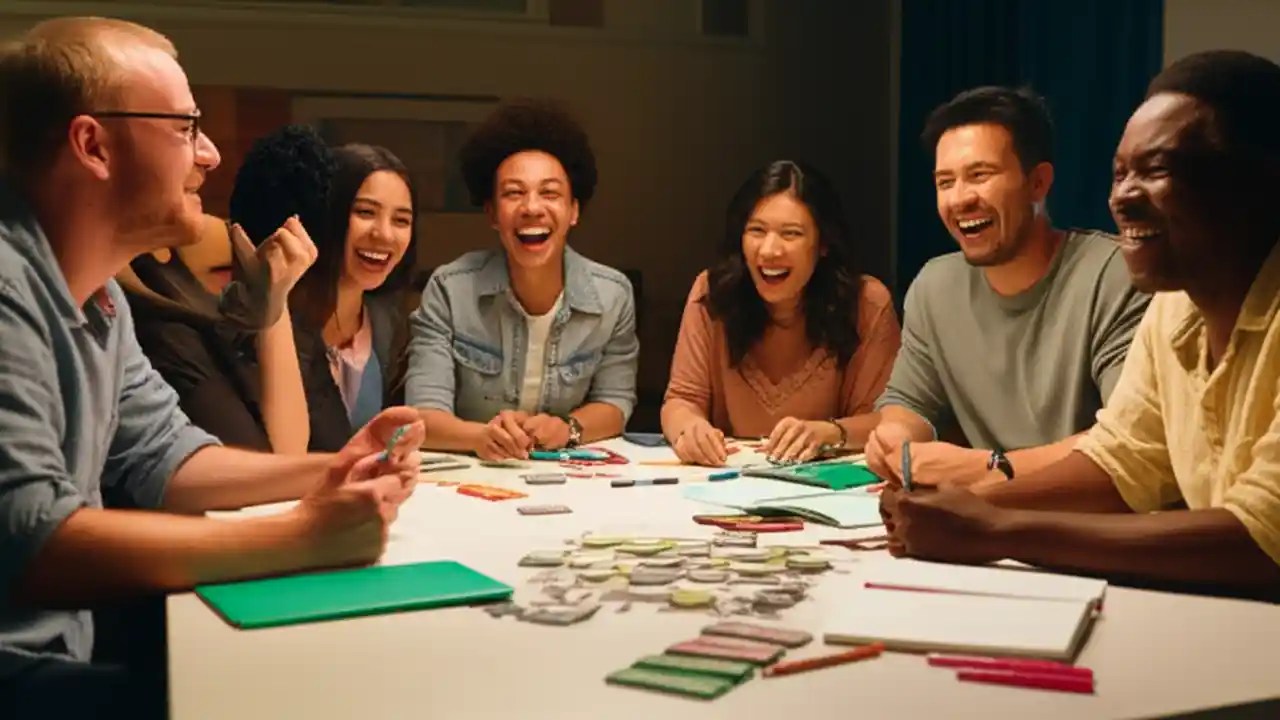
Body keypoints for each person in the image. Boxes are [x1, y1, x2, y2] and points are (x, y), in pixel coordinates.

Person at [0, 18, 422, 718]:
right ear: (92, 144)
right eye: (184, 127)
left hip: (63, 656)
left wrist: (337, 467)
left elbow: (173, 460)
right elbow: (33, 542)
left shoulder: (97, 296)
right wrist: (298, 536)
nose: (210, 155)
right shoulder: (10, 288)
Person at [880, 50, 1280, 592]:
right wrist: (960, 507)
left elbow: (1263, 537)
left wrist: (1000, 527)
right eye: (1120, 174)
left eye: (1156, 170)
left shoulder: (1116, 278)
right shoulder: (1175, 306)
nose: (1122, 199)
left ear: (1255, 183)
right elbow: (1122, 460)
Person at [864, 86, 1150, 488]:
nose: (960, 199)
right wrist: (897, 440)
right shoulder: (935, 286)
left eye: (979, 175)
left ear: (1038, 182)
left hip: (1092, 521)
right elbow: (910, 404)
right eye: (945, 182)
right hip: (988, 521)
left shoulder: (1116, 275)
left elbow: (1134, 439)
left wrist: (993, 468)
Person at [406, 99, 639, 460]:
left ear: (573, 211)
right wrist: (481, 436)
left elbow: (616, 402)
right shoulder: (449, 290)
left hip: (566, 479)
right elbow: (422, 414)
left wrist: (568, 427)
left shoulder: (613, 296)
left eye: (550, 193)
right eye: (514, 193)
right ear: (492, 213)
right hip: (470, 480)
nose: (532, 207)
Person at [661, 160, 901, 466]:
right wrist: (689, 429)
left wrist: (829, 434)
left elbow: (888, 420)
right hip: (728, 481)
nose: (769, 250)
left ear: (823, 243)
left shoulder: (867, 303)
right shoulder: (712, 293)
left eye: (791, 234)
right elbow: (681, 400)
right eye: (757, 231)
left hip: (826, 489)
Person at [123, 123, 330, 453]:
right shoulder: (152, 320)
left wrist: (273, 302)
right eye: (183, 129)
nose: (211, 155)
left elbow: (288, 448)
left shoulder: (174, 282)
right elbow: (267, 458)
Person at [290, 143, 416, 451]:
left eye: (401, 220)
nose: (384, 234)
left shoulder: (389, 324)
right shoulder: (279, 317)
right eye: (365, 213)